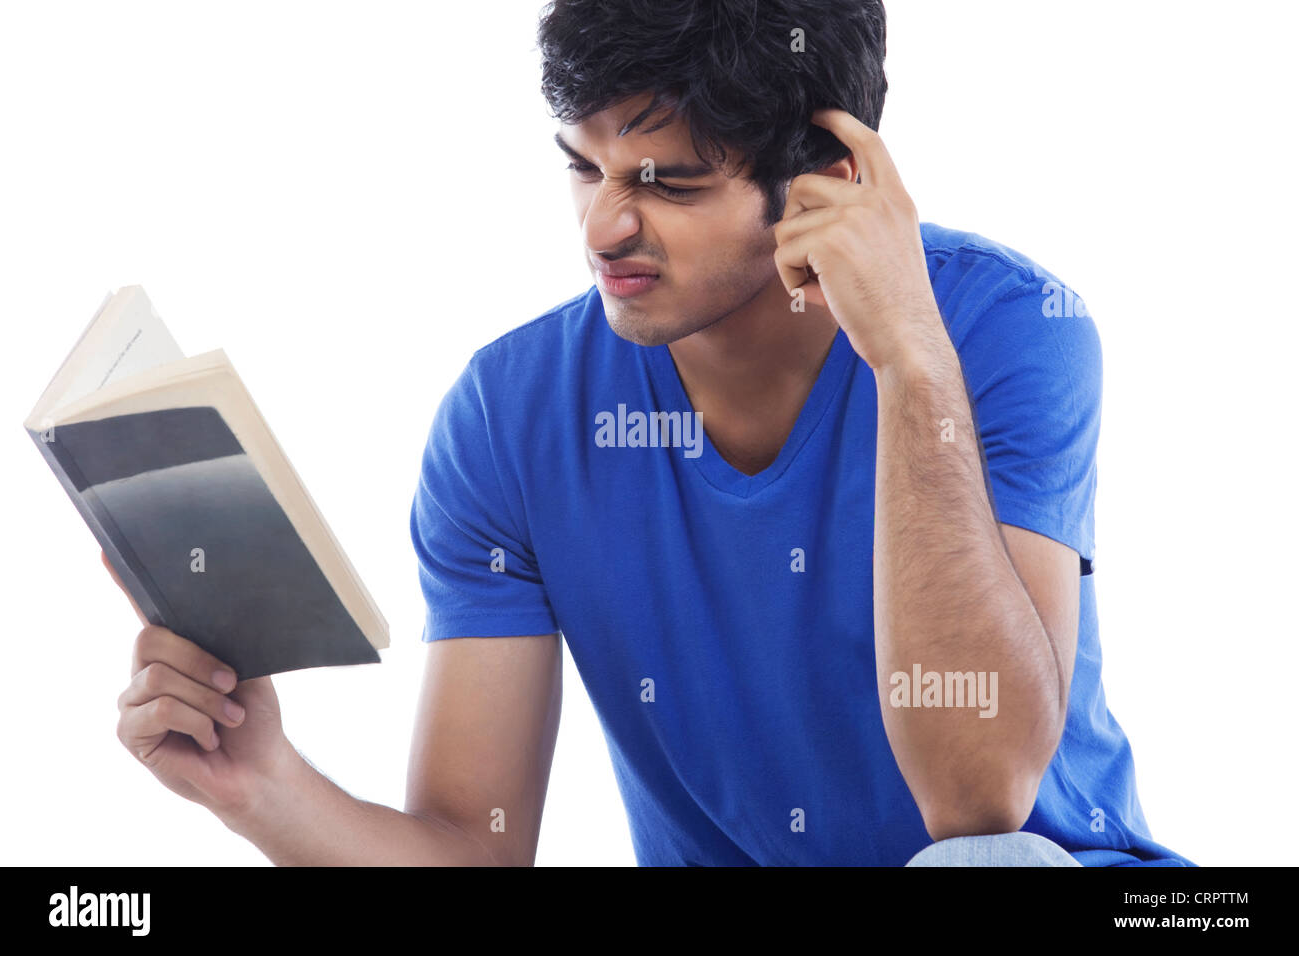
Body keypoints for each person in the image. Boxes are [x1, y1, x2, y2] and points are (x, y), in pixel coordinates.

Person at [107, 0, 1193, 866]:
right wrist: (263, 785)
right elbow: (468, 851)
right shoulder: (507, 414)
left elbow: (979, 798)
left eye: (664, 182)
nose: (601, 227)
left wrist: (909, 361)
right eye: (582, 164)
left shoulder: (1003, 329)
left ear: (827, 174)